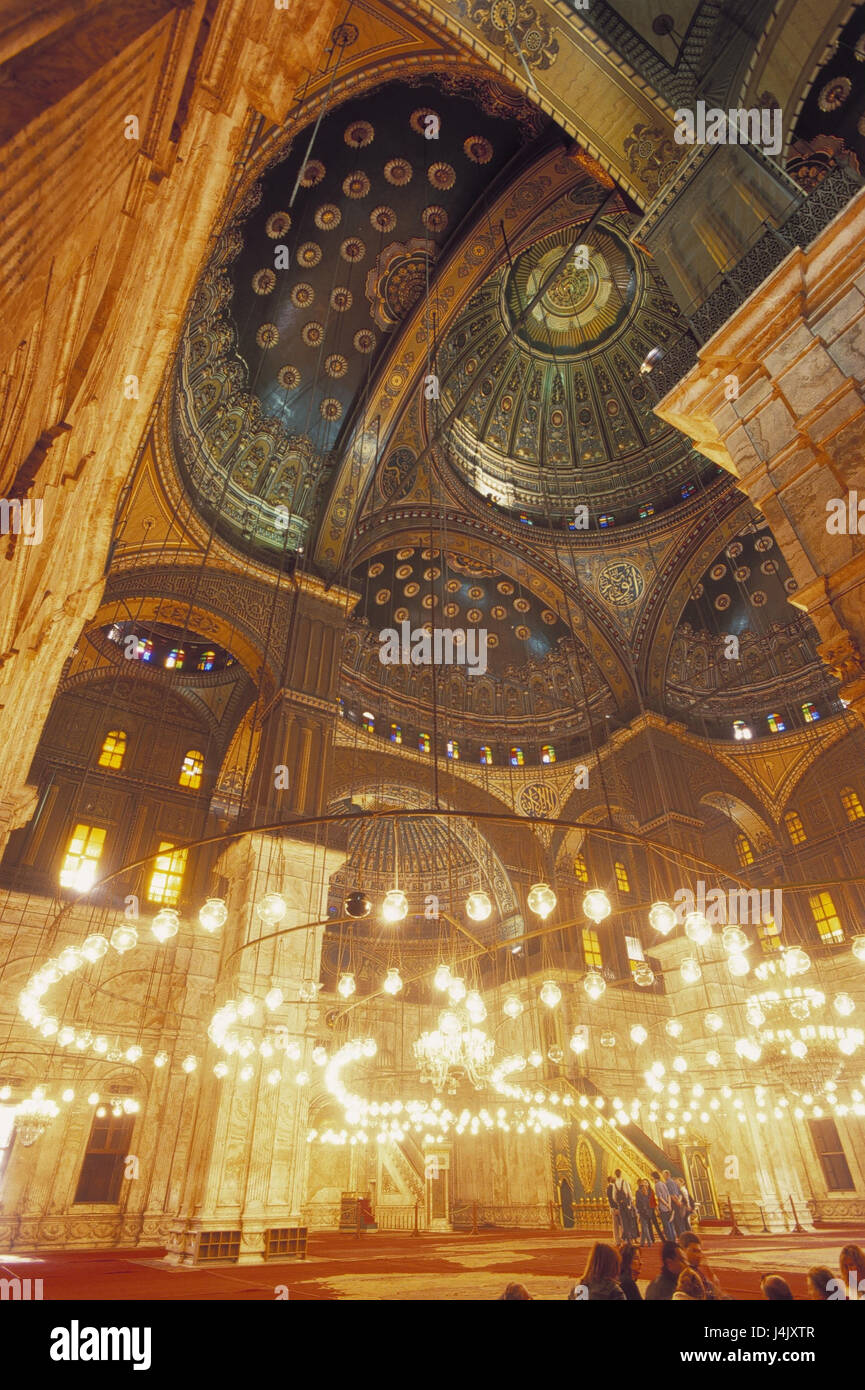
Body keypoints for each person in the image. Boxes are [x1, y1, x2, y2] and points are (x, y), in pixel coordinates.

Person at [679, 1231, 724, 1299]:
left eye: (699, 1251)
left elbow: (718, 1293)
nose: (698, 1255)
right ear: (683, 1250)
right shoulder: (684, 1275)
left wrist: (708, 1270)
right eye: (694, 1251)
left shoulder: (698, 1272)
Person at [612, 1168, 639, 1242]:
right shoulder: (625, 1182)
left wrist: (618, 1202)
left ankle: (627, 1238)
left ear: (615, 1175)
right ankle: (631, 1236)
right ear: (620, 1174)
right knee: (630, 1220)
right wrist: (631, 1202)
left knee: (624, 1222)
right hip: (627, 1203)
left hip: (620, 1205)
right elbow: (629, 1193)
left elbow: (614, 1197)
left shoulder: (614, 1184)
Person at [653, 1169, 675, 1240]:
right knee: (671, 1225)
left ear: (654, 1177)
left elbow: (660, 1197)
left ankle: (670, 1240)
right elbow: (668, 1195)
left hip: (663, 1208)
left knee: (666, 1226)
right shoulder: (663, 1183)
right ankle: (673, 1239)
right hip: (668, 1207)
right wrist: (669, 1204)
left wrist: (665, 1204)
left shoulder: (656, 1185)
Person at [635, 1179, 655, 1246]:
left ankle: (649, 1242)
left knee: (644, 1227)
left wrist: (638, 1210)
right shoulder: (647, 1191)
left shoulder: (638, 1192)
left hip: (642, 1211)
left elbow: (638, 1203)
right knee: (644, 1227)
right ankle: (642, 1242)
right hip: (648, 1211)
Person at [606, 1174, 623, 1244]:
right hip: (615, 1208)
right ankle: (618, 1240)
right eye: (613, 1178)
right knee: (618, 1225)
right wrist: (615, 1208)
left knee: (618, 1225)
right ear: (610, 1180)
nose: (615, 1178)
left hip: (615, 1208)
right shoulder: (610, 1188)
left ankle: (618, 1240)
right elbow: (611, 1199)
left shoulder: (612, 1187)